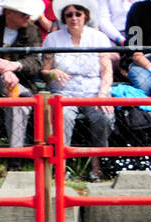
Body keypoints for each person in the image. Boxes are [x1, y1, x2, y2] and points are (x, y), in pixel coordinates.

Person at [42, 0, 115, 181]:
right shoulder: (53, 38)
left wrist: (102, 94)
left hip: (93, 90)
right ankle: (60, 166)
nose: (74, 18)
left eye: (78, 14)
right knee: (62, 116)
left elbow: (107, 69)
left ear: (86, 16)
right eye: (69, 15)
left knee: (103, 117)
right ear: (64, 18)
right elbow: (44, 71)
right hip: (64, 92)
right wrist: (52, 72)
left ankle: (97, 166)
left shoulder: (99, 38)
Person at [0, 0, 45, 151]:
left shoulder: (32, 31)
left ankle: (15, 158)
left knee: (17, 104)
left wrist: (15, 66)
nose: (28, 17)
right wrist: (1, 68)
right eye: (24, 14)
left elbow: (35, 61)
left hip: (21, 87)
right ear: (9, 13)